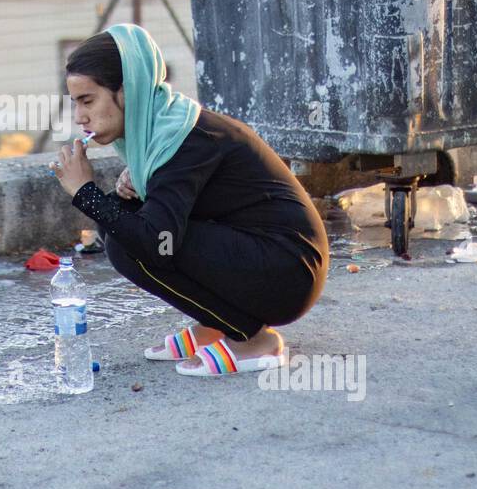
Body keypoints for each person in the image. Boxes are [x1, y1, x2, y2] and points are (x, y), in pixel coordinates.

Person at [49, 24, 328, 377]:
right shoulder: (164, 130)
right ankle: (216, 323)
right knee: (121, 218)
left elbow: (156, 245)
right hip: (265, 257)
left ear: (127, 92)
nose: (79, 117)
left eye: (88, 101)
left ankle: (253, 339)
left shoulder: (184, 138)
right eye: (75, 103)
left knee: (129, 243)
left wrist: (84, 192)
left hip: (290, 272)